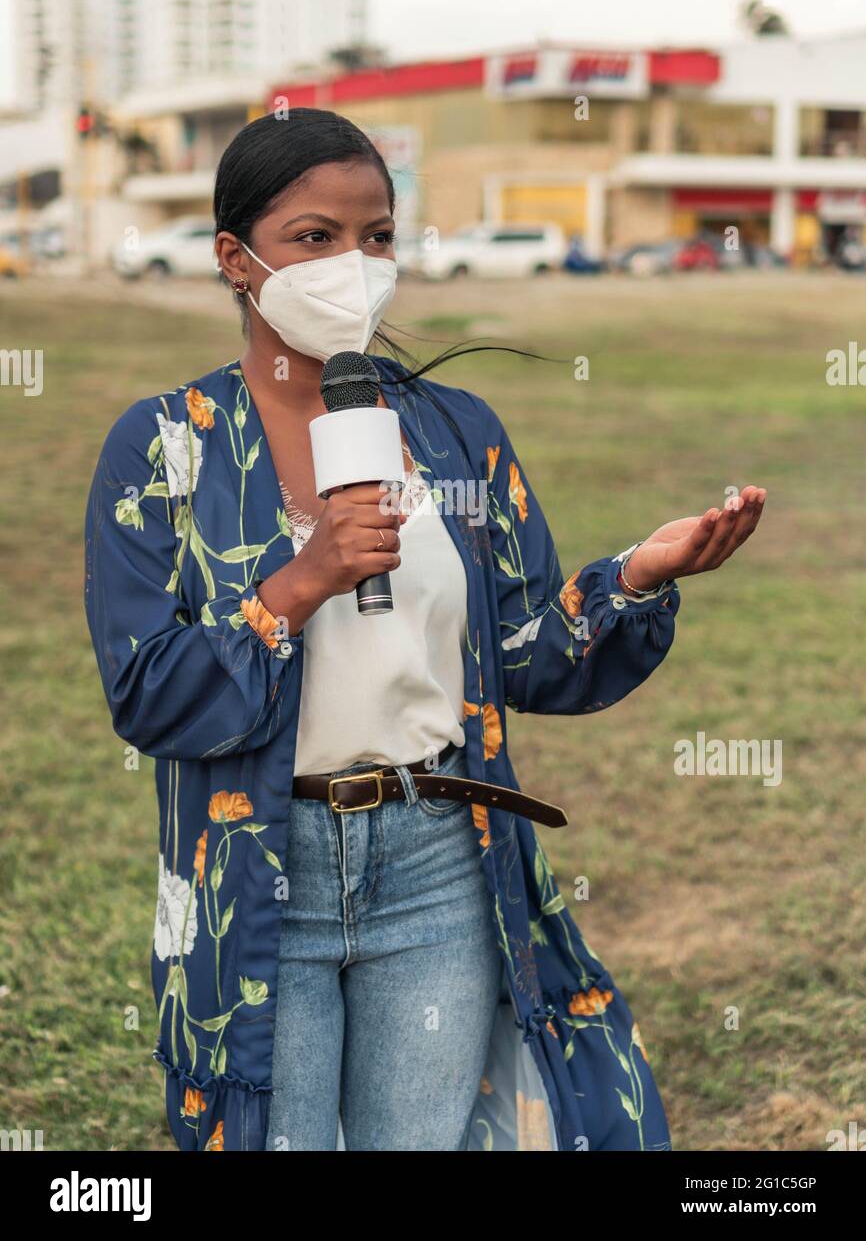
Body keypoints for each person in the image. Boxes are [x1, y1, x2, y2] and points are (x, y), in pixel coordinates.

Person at [84, 109, 766, 1152]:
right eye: (314, 238)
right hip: (262, 877)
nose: (353, 267)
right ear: (235, 258)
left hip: (438, 861)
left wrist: (633, 575)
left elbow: (528, 656)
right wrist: (300, 582)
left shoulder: (457, 432)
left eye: (377, 236)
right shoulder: (164, 449)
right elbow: (149, 694)